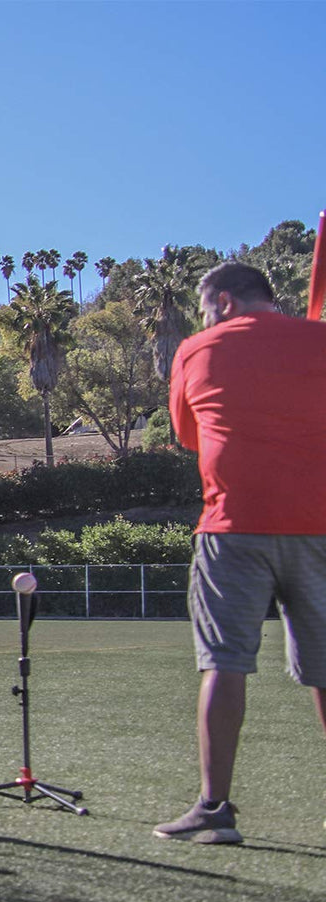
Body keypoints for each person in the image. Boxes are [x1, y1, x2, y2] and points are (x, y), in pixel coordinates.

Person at [155, 261, 326, 845]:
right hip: (321, 527)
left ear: (223, 301)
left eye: (205, 308)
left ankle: (214, 809)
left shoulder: (196, 349)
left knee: (223, 664)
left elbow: (189, 434)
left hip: (232, 527)